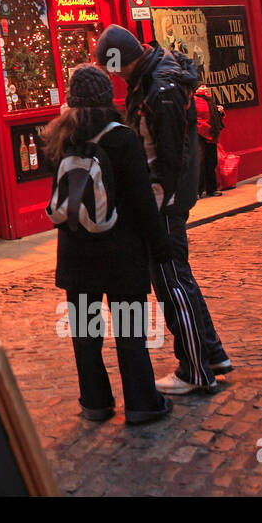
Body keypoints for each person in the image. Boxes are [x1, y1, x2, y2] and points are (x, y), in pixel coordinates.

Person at [95, 25, 231, 395]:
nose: (114, 77)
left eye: (112, 68)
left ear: (121, 61)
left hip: (165, 203)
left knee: (171, 282)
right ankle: (212, 352)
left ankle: (195, 369)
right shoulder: (154, 78)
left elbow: (166, 158)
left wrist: (153, 203)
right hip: (168, 198)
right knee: (179, 277)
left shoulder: (160, 90)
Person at [43, 66, 173, 426]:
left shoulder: (62, 138)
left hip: (76, 253)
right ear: (105, 97)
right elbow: (143, 200)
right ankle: (142, 403)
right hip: (121, 253)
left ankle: (95, 403)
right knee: (130, 331)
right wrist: (160, 247)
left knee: (85, 334)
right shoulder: (121, 138)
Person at [193, 84, 226, 198]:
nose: (204, 88)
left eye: (205, 86)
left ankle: (212, 189)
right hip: (199, 134)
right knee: (200, 162)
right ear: (196, 89)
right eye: (201, 86)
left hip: (211, 134)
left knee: (212, 162)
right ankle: (197, 191)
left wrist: (220, 111)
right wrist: (202, 126)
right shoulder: (193, 100)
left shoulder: (210, 100)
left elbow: (213, 116)